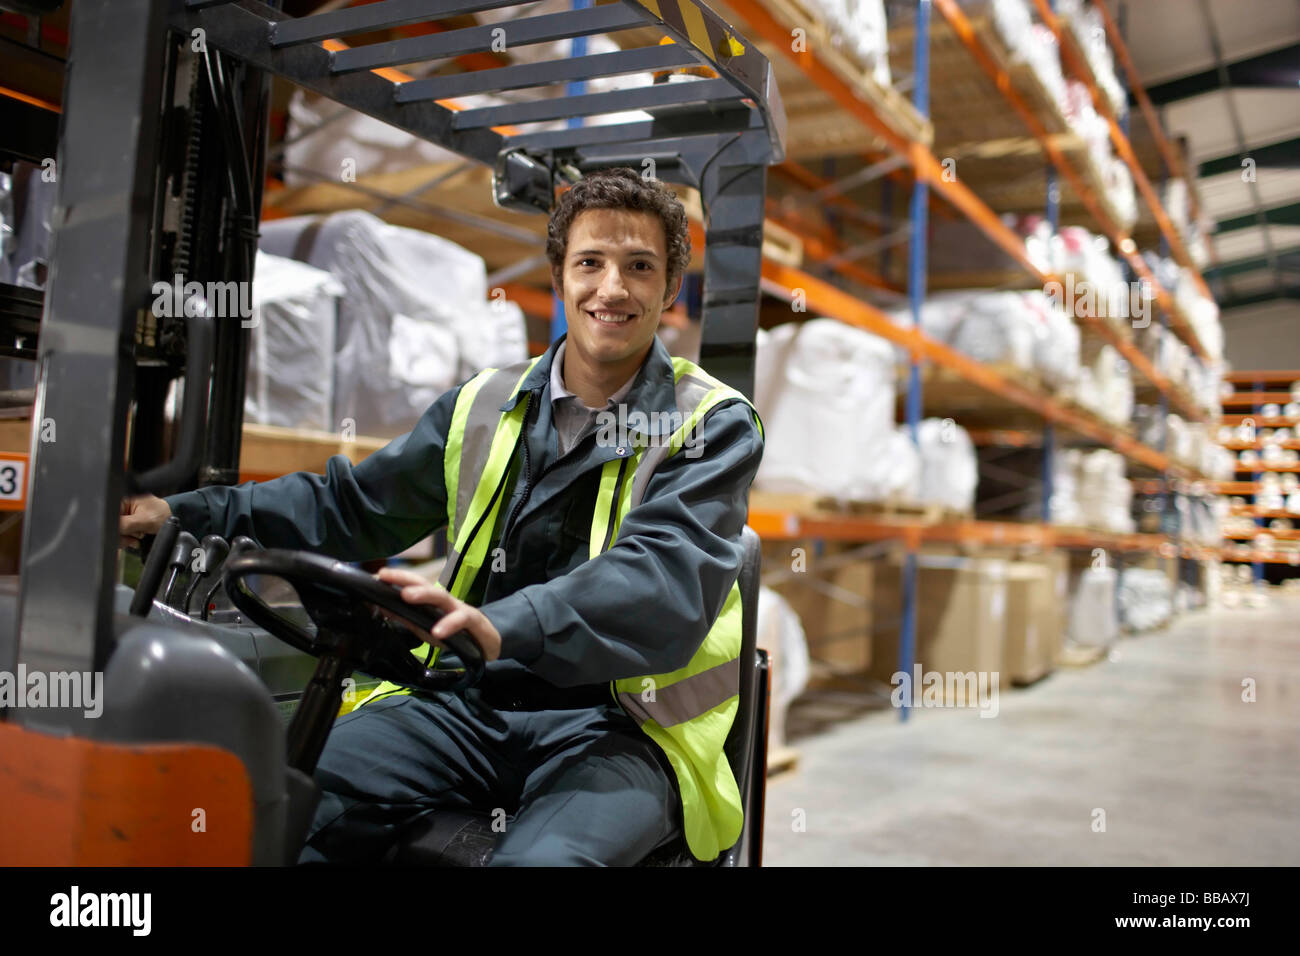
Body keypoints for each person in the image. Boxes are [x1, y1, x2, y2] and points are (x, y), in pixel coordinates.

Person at [120, 168, 764, 866]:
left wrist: (502, 625)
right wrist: (184, 513)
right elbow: (351, 505)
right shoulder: (483, 404)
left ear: (669, 289)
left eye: (639, 267)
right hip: (466, 701)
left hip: (622, 728)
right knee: (270, 805)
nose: (612, 288)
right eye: (590, 263)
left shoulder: (711, 424)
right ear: (560, 276)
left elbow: (660, 580)